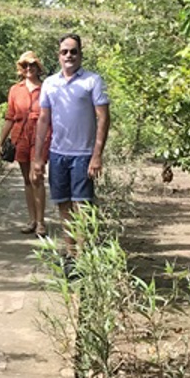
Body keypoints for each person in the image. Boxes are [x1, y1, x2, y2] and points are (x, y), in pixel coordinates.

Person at [31, 34, 110, 259]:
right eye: (64, 52)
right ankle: (70, 254)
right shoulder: (50, 83)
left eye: (73, 51)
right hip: (58, 154)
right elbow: (43, 120)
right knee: (63, 204)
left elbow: (103, 118)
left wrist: (97, 155)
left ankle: (83, 257)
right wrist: (38, 157)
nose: (69, 55)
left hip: (83, 155)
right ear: (58, 55)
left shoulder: (93, 81)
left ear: (80, 54)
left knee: (82, 206)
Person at [1, 50, 49, 236]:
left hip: (40, 136)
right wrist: (2, 140)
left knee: (36, 177)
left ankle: (41, 222)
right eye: (25, 65)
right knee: (27, 180)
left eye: (32, 65)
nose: (29, 68)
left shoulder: (46, 88)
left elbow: (51, 116)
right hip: (20, 136)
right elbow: (10, 116)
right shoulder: (15, 90)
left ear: (38, 67)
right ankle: (32, 220)